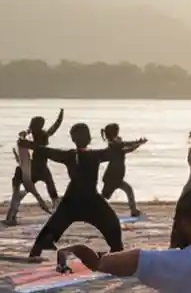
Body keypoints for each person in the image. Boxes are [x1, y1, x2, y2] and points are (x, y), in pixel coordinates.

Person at [24, 123, 146, 258]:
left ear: (73, 139)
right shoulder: (94, 155)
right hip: (91, 200)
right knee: (112, 225)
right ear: (89, 138)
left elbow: (46, 151)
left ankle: (37, 251)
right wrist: (119, 145)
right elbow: (114, 152)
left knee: (53, 226)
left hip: (72, 200)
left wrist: (28, 145)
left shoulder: (70, 155)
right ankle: (116, 250)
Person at [4, 130, 52, 226]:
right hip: (23, 174)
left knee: (17, 196)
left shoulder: (24, 150)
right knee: (30, 195)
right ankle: (11, 218)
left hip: (20, 173)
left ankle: (11, 217)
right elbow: (23, 163)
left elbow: (21, 161)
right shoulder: (25, 149)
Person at [99, 123, 144, 218]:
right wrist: (138, 144)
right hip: (112, 177)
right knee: (103, 197)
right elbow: (128, 148)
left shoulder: (115, 143)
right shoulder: (113, 145)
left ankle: (134, 211)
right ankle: (92, 209)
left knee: (128, 190)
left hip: (116, 176)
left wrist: (137, 142)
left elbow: (126, 145)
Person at [26, 110, 65, 203]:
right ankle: (55, 202)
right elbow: (55, 127)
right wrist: (61, 116)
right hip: (42, 165)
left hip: (34, 164)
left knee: (29, 186)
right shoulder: (43, 135)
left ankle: (16, 201)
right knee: (50, 185)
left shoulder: (33, 134)